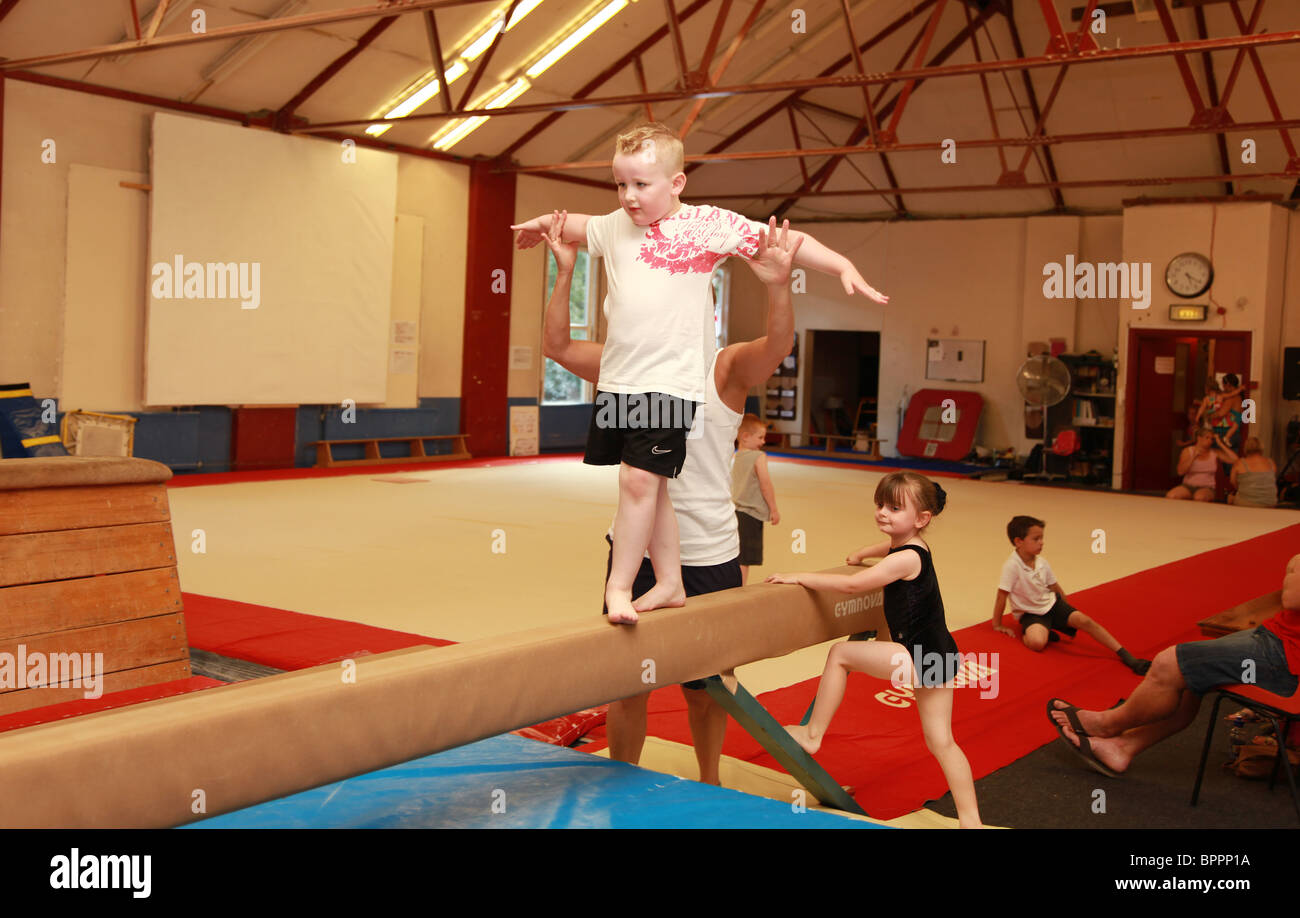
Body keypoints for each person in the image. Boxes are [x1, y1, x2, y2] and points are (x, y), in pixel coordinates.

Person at [513, 122, 887, 624]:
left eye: (642, 185)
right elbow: (570, 222)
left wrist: (840, 264)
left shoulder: (706, 225)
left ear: (677, 183)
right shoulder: (614, 225)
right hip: (624, 380)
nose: (628, 197)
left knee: (636, 483)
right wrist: (537, 226)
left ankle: (620, 588)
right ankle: (669, 579)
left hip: (670, 381)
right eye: (620, 184)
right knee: (654, 486)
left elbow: (785, 238)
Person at [541, 209, 803, 785]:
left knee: (708, 689)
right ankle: (620, 784)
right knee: (627, 683)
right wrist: (565, 273)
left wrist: (779, 285)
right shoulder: (626, 363)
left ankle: (709, 783)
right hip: (636, 551)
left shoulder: (726, 368)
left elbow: (778, 346)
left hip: (710, 550)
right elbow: (556, 346)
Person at [765, 471, 982, 828]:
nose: (883, 512)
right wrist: (864, 551)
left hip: (914, 656)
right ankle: (970, 820)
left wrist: (799, 576)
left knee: (840, 655)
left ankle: (813, 734)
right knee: (942, 742)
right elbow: (889, 548)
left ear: (922, 518)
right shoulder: (916, 547)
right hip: (941, 655)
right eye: (880, 504)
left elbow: (853, 586)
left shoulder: (905, 559)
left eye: (895, 508)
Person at [1048, 553, 1300, 777]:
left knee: (1170, 663)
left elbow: (1292, 597)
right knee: (1193, 677)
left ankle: (1107, 724)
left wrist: (1295, 568)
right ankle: (1121, 748)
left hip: (1288, 657)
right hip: (1278, 636)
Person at [991, 516, 1151, 674]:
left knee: (1085, 621)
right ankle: (1035, 630)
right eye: (1036, 539)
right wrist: (997, 624)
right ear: (1019, 541)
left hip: (1052, 605)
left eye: (1042, 538)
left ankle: (1126, 655)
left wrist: (1067, 609)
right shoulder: (1011, 566)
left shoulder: (1042, 562)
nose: (1042, 542)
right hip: (1031, 613)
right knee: (1037, 643)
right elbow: (1001, 596)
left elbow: (1054, 586)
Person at [731, 414, 780, 584]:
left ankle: (735, 585)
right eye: (760, 437)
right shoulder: (758, 456)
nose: (763, 441)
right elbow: (765, 484)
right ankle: (740, 587)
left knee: (737, 552)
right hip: (751, 513)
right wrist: (773, 509)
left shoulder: (738, 455)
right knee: (745, 558)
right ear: (745, 437)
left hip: (736, 511)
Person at [1166, 427, 1235, 501]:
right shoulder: (1188, 451)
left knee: (1199, 497)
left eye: (1212, 439)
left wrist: (1220, 444)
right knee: (1171, 495)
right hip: (1188, 486)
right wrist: (1193, 457)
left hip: (1207, 487)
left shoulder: (1214, 452)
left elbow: (1235, 460)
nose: (1210, 441)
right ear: (1199, 438)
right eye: (1207, 438)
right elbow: (1180, 472)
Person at [1228, 436, 1277, 508]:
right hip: (1270, 502)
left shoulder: (1240, 463)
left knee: (1230, 498)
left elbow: (1232, 481)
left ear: (1245, 448)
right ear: (1261, 447)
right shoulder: (1271, 462)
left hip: (1247, 503)